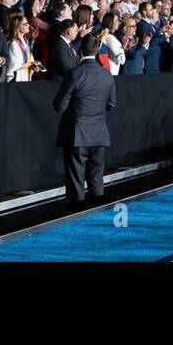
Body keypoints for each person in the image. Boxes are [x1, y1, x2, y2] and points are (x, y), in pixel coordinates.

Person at [53, 32, 116, 212]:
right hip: (99, 134)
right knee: (96, 178)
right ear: (97, 50)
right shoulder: (107, 75)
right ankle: (99, 214)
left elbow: (59, 105)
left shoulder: (74, 74)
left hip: (77, 135)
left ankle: (76, 215)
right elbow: (112, 104)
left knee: (76, 180)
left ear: (80, 50)